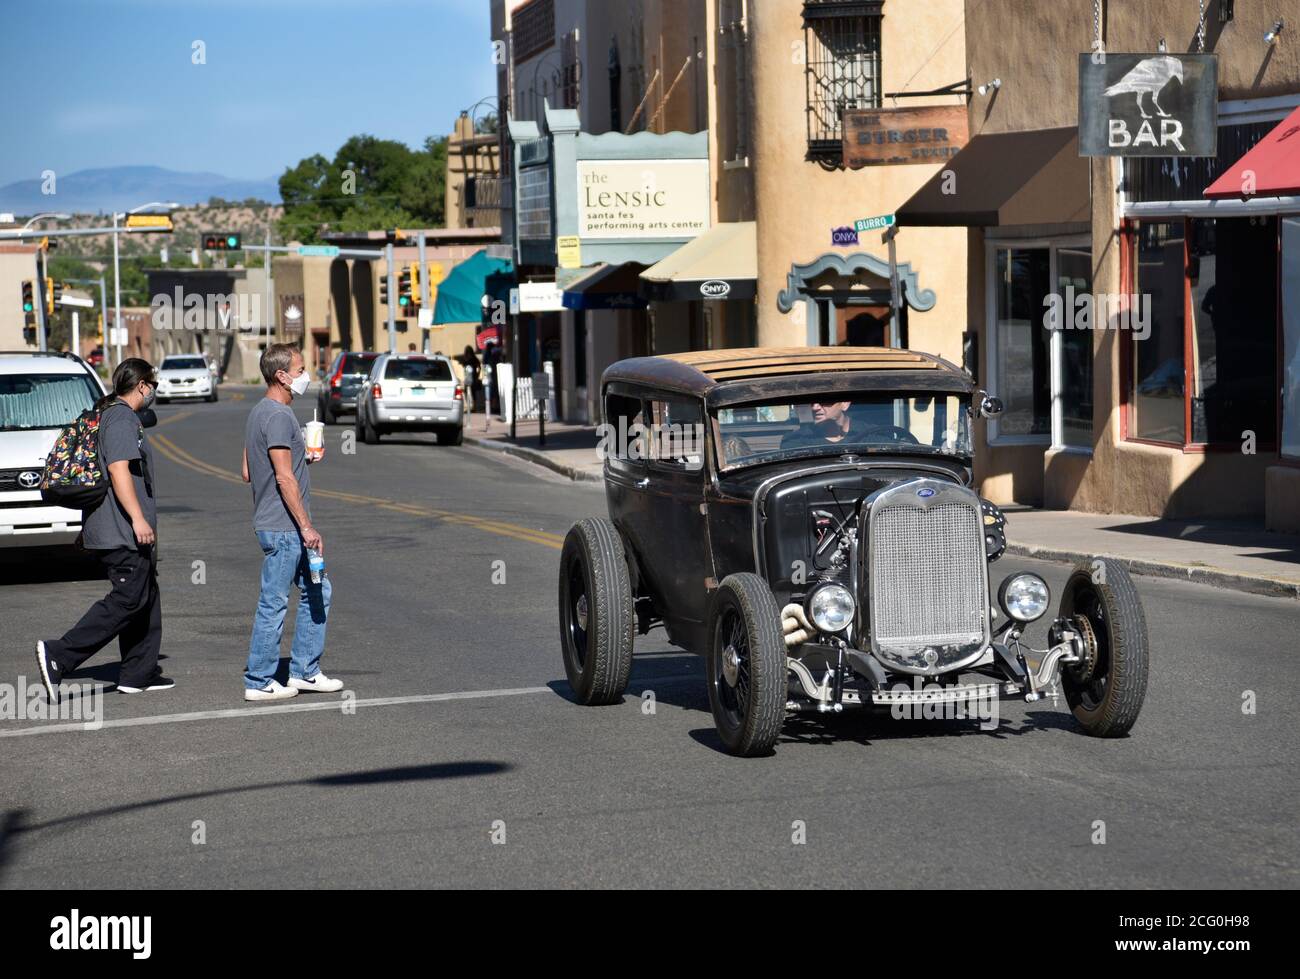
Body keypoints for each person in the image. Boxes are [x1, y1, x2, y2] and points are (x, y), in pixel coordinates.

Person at [34, 359, 174, 701]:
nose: (154, 390)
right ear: (141, 384)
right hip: (121, 529)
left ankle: (138, 673)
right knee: (127, 600)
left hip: (117, 527)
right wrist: (138, 519)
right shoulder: (121, 417)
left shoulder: (111, 414)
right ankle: (59, 655)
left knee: (145, 598)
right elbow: (118, 470)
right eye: (152, 384)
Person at [240, 343, 341, 702]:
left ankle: (304, 672)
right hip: (285, 528)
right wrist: (307, 527)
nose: (305, 376)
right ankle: (259, 679)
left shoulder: (259, 413)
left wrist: (303, 458)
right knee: (274, 601)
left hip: (276, 524)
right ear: (281, 376)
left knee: (318, 590)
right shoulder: (280, 417)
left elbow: (248, 470)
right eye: (299, 370)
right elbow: (283, 479)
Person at [781, 401, 855, 450]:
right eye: (812, 403)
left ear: (845, 404)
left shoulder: (865, 432)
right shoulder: (795, 440)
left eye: (824, 401)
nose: (814, 408)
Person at [458, 345, 481, 414]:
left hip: (470, 377)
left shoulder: (469, 359)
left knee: (468, 392)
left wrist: (477, 374)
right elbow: (479, 366)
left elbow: (478, 366)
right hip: (472, 377)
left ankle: (471, 406)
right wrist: (477, 374)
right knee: (470, 392)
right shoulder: (473, 358)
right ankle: (472, 406)